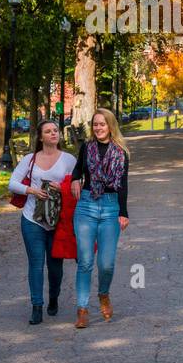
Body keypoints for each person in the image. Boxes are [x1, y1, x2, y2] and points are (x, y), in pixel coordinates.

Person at [8, 119, 77, 325]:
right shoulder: (30, 159)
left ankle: (53, 298)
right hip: (32, 219)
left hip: (57, 221)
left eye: (56, 130)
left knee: (55, 266)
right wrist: (31, 190)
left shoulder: (68, 159)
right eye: (48, 131)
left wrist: (62, 186)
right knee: (36, 263)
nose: (54, 134)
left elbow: (77, 185)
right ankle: (36, 306)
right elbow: (12, 183)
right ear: (41, 137)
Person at [70, 109, 130, 329]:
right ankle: (82, 309)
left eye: (102, 124)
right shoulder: (87, 148)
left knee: (106, 263)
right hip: (86, 205)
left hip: (110, 207)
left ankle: (103, 294)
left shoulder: (121, 152)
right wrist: (75, 180)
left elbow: (123, 184)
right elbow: (77, 170)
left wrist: (123, 212)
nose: (98, 128)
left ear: (110, 126)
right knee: (85, 261)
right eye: (95, 124)